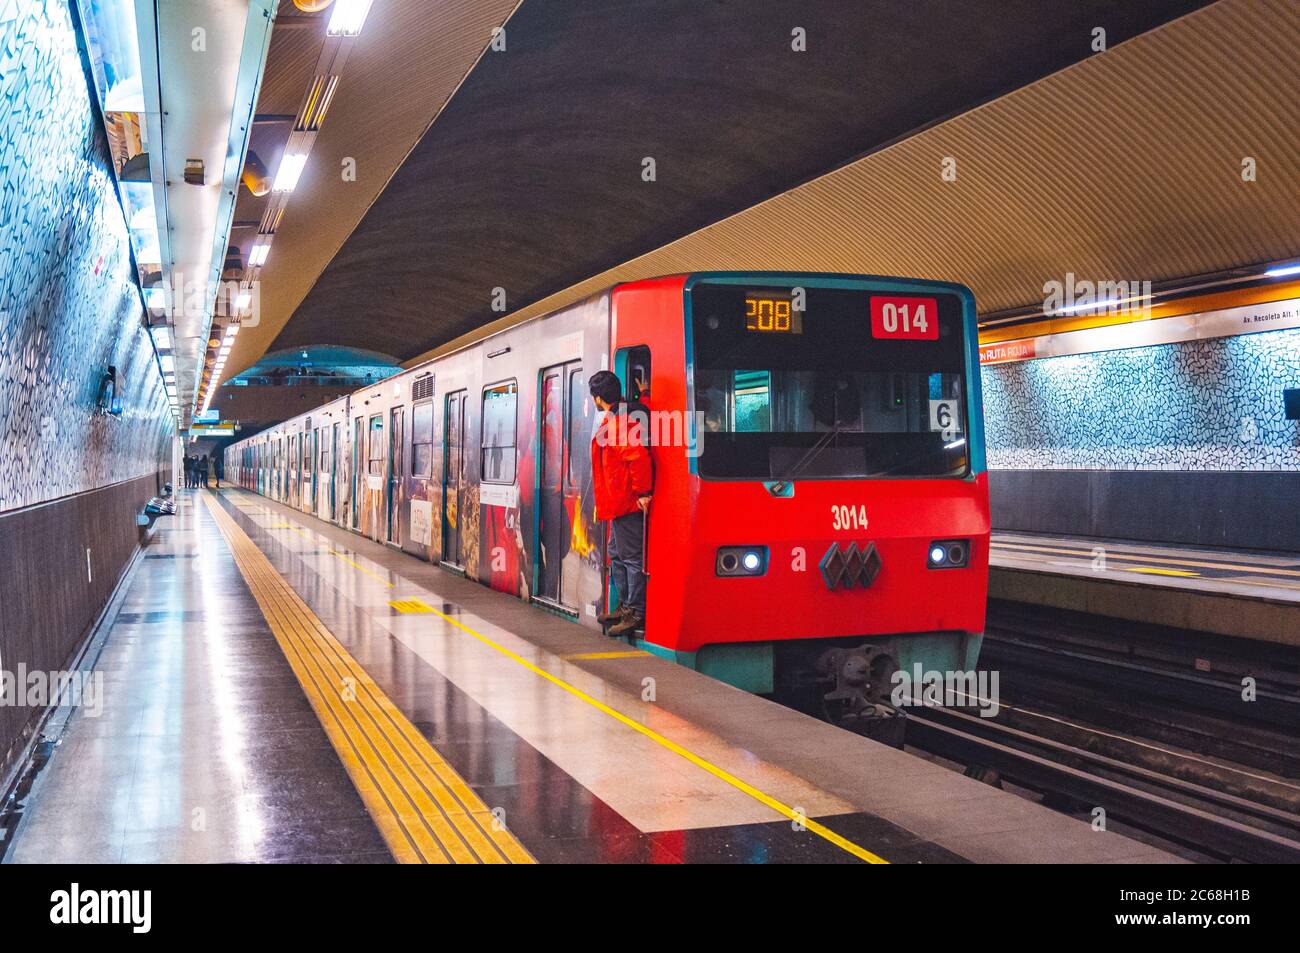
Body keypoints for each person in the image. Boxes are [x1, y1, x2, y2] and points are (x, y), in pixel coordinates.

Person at [588, 370, 652, 637]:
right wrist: (646, 395)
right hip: (618, 502)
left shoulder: (617, 423)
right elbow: (645, 412)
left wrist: (642, 493)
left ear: (599, 399)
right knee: (616, 553)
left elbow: (637, 458)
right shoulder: (623, 415)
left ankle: (635, 612)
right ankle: (625, 605)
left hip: (627, 502)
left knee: (631, 557)